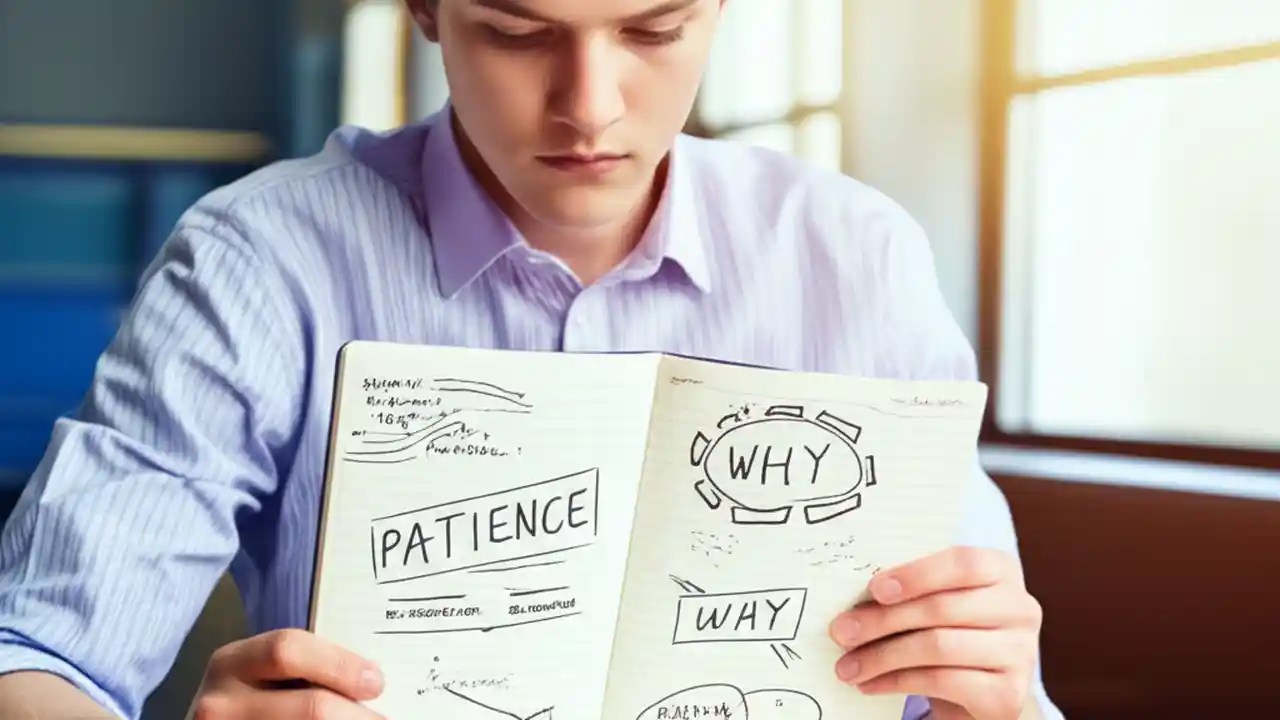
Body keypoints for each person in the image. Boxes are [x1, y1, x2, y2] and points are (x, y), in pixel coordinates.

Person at [0, 0, 1064, 718]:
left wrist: (995, 695)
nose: (589, 106)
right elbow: (37, 652)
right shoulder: (262, 259)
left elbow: (976, 684)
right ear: (423, 9)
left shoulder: (853, 256)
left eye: (653, 28)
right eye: (517, 31)